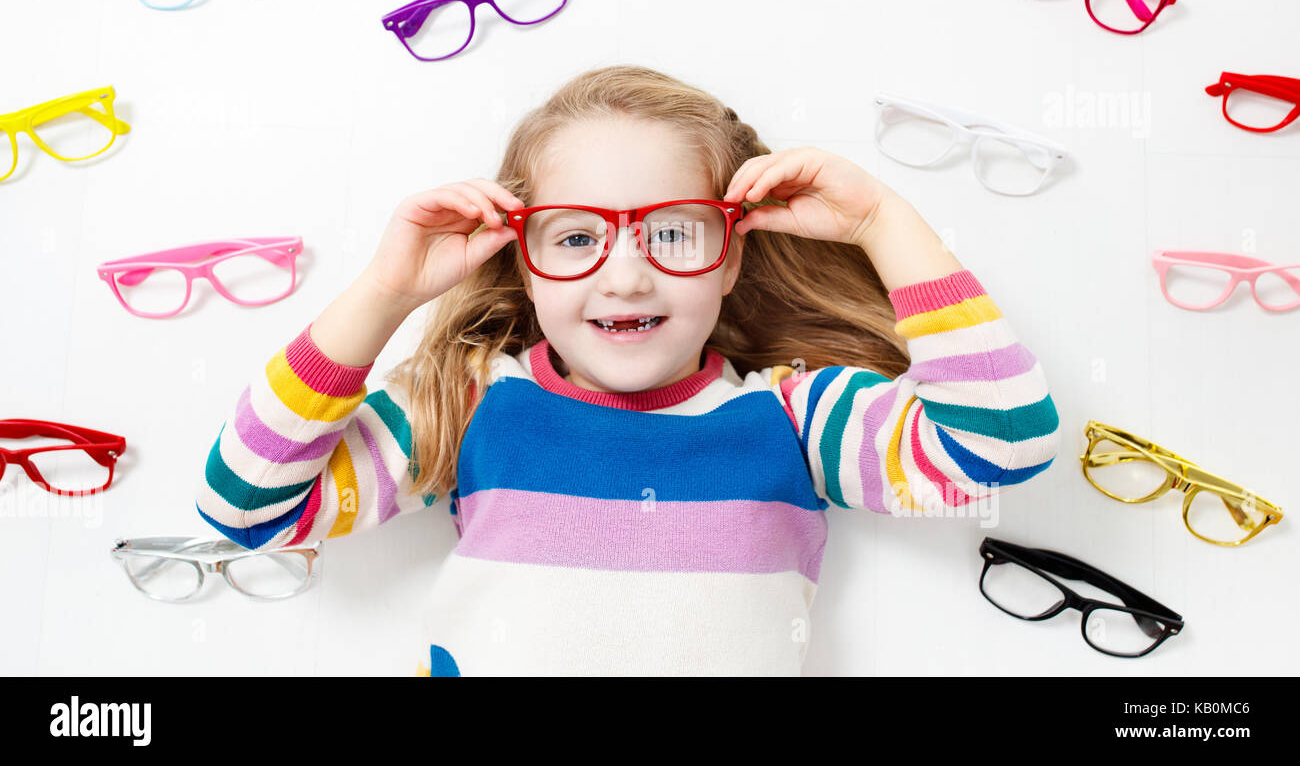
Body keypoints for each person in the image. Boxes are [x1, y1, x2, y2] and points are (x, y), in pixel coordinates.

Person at [196, 65, 1060, 675]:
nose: (626, 274)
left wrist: (882, 220)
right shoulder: (470, 404)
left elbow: (1001, 446)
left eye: (675, 231)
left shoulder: (795, 420)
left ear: (730, 259)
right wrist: (384, 293)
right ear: (524, 263)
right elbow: (245, 509)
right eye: (576, 236)